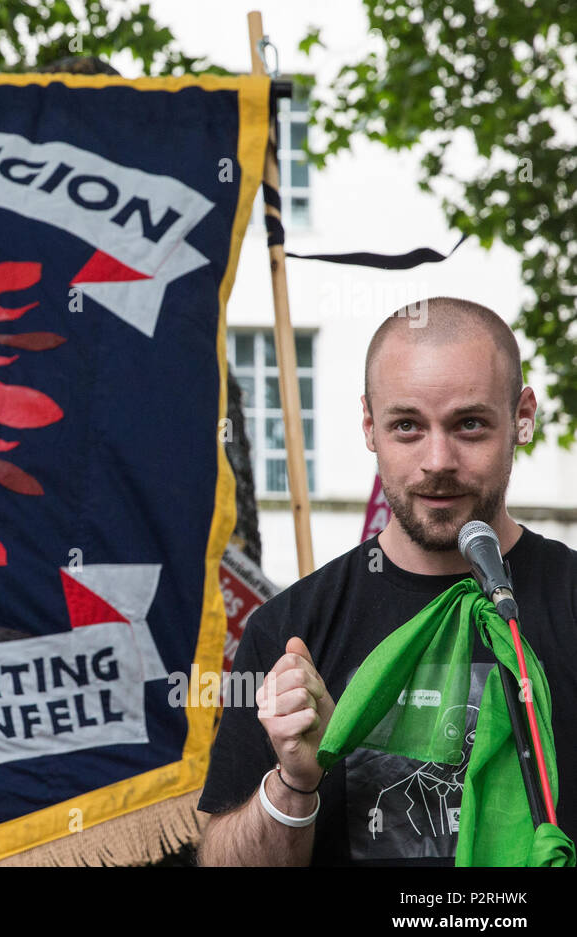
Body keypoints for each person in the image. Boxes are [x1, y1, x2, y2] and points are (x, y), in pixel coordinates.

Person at [197, 297, 577, 865]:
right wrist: (294, 784)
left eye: (469, 424)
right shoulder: (291, 629)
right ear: (370, 426)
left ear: (522, 415)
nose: (438, 460)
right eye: (407, 426)